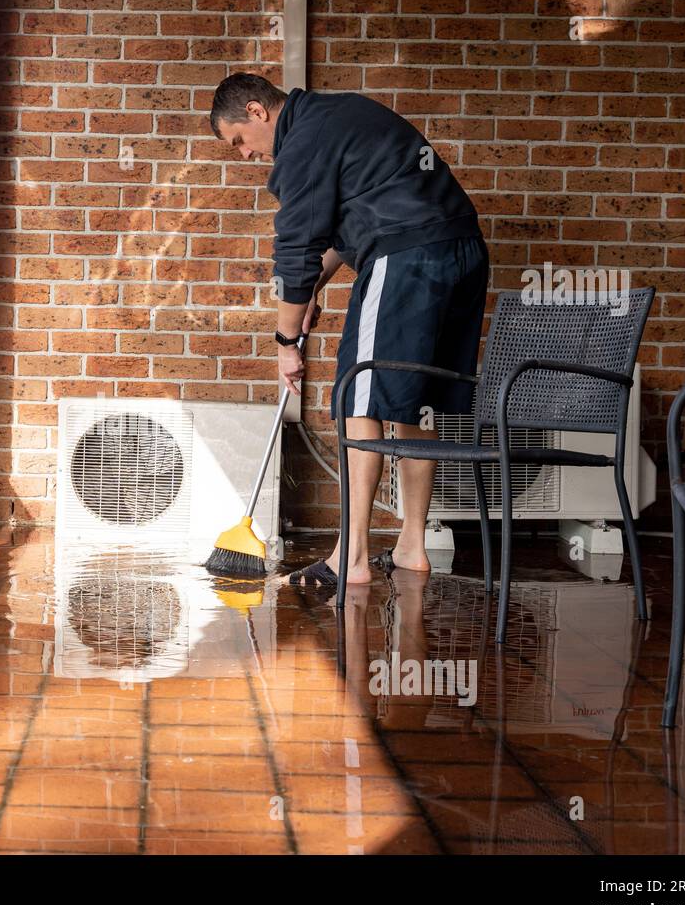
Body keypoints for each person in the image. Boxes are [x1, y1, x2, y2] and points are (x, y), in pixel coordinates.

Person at [210, 72, 489, 588]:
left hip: (407, 258)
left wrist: (286, 342)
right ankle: (411, 547)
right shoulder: (336, 117)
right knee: (414, 398)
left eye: (239, 143)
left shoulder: (300, 144)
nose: (245, 156)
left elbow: (294, 251)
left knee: (361, 398)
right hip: (460, 251)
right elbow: (339, 235)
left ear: (256, 112)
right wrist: (313, 290)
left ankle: (351, 558)